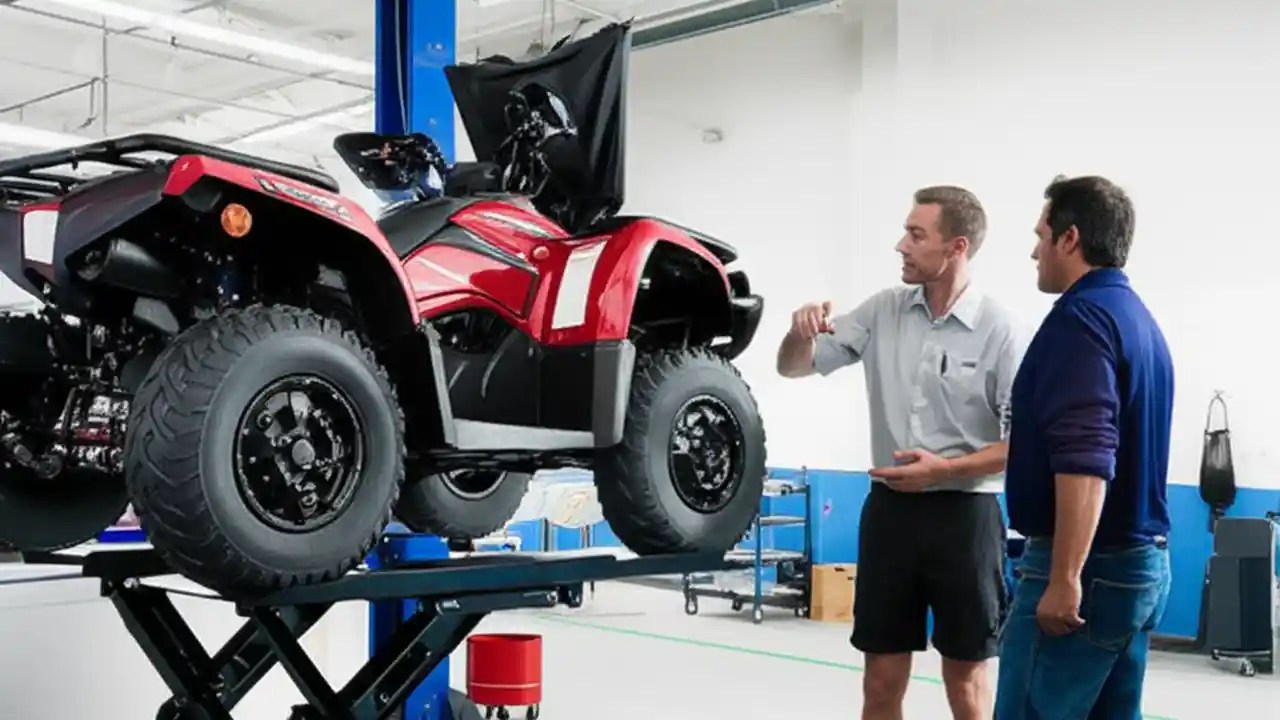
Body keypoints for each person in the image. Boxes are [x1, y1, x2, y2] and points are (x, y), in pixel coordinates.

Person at [777, 186, 1024, 720]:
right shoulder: (884, 310)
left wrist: (948, 470)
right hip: (890, 515)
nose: (901, 245)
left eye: (916, 235)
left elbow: (1024, 443)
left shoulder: (999, 330)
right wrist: (799, 333)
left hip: (966, 518)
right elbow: (794, 367)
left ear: (956, 247)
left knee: (967, 682)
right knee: (881, 682)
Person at [994, 175, 1174, 719]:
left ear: (1068, 239)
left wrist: (1064, 577)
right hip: (1139, 565)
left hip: (1089, 570)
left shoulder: (1080, 321)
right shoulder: (1138, 321)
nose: (1034, 251)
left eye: (1040, 234)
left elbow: (1086, 459)